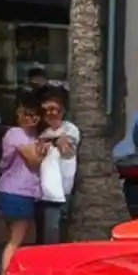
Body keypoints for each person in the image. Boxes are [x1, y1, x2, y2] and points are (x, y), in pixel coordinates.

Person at [0, 96, 48, 275]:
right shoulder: (16, 134)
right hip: (17, 191)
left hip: (19, 191)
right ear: (18, 114)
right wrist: (44, 152)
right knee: (15, 242)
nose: (31, 119)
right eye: (27, 114)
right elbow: (34, 161)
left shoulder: (33, 135)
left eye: (35, 115)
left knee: (14, 239)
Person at [34, 87, 79, 245]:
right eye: (46, 111)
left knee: (55, 229)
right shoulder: (43, 132)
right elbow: (38, 154)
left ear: (62, 110)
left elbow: (67, 151)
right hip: (45, 189)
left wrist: (53, 139)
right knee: (45, 230)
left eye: (54, 109)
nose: (51, 114)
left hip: (62, 188)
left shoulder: (70, 128)